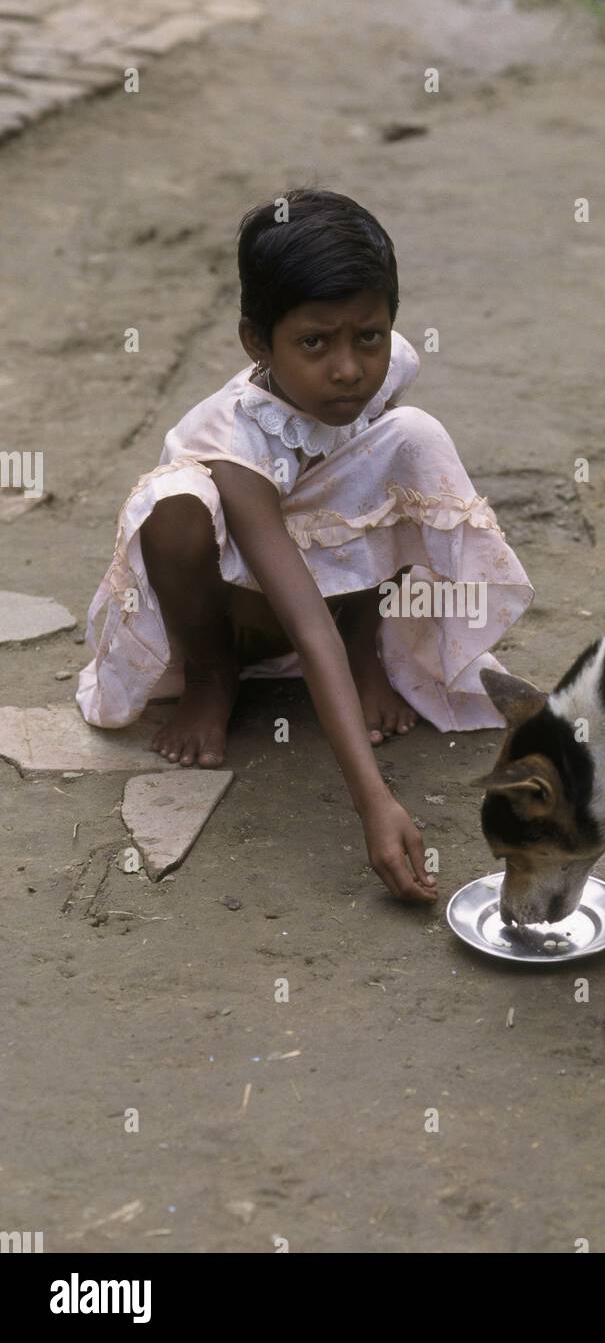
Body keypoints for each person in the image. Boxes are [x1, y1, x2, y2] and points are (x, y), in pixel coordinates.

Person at [76, 188, 534, 902]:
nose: (348, 368)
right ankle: (212, 676)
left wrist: (354, 639)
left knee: (411, 440)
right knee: (172, 507)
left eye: (368, 337)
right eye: (314, 343)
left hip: (330, 599)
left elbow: (371, 504)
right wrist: (373, 801)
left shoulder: (384, 368)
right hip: (245, 608)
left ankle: (368, 649)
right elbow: (303, 624)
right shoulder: (230, 441)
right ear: (257, 342)